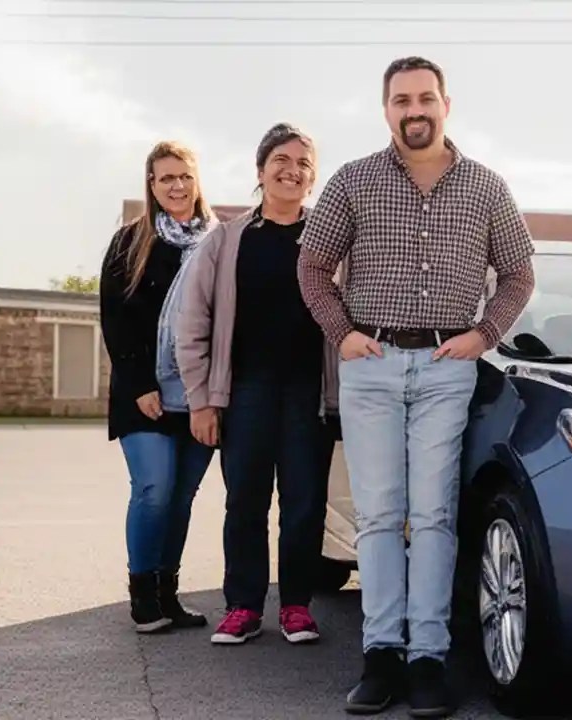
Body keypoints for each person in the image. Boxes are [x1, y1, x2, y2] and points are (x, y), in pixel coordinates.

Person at [297, 56, 535, 717]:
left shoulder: (486, 187)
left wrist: (484, 334)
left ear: (446, 104)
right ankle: (381, 656)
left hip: (445, 369)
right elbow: (313, 266)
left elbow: (519, 274)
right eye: (402, 100)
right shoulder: (353, 180)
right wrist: (342, 332)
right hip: (371, 365)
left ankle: (427, 658)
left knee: (432, 516)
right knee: (378, 516)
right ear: (386, 109)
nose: (414, 110)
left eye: (425, 98)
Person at [174, 123, 338, 646]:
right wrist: (201, 401)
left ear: (313, 178)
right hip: (244, 392)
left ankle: (295, 606)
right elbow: (191, 324)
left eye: (304, 164)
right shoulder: (225, 240)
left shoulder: (331, 242)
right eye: (281, 161)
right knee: (244, 501)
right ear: (261, 169)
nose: (293, 171)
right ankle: (243, 606)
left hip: (310, 394)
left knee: (305, 503)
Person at [99, 140, 218, 633]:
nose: (176, 186)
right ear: (151, 185)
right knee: (154, 488)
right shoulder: (130, 241)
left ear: (196, 180)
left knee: (182, 495)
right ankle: (142, 592)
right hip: (142, 392)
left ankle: (169, 592)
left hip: (197, 394)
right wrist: (140, 384)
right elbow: (115, 319)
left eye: (184, 176)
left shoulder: (216, 242)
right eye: (165, 177)